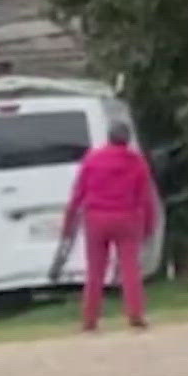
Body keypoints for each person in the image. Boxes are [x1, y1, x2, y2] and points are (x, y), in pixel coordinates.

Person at [61, 121, 157, 333]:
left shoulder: (92, 159)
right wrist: (149, 226)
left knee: (95, 271)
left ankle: (90, 319)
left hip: (96, 218)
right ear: (128, 139)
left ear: (108, 137)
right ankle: (135, 313)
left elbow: (78, 193)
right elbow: (145, 197)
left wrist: (68, 223)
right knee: (130, 268)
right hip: (127, 218)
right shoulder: (136, 162)